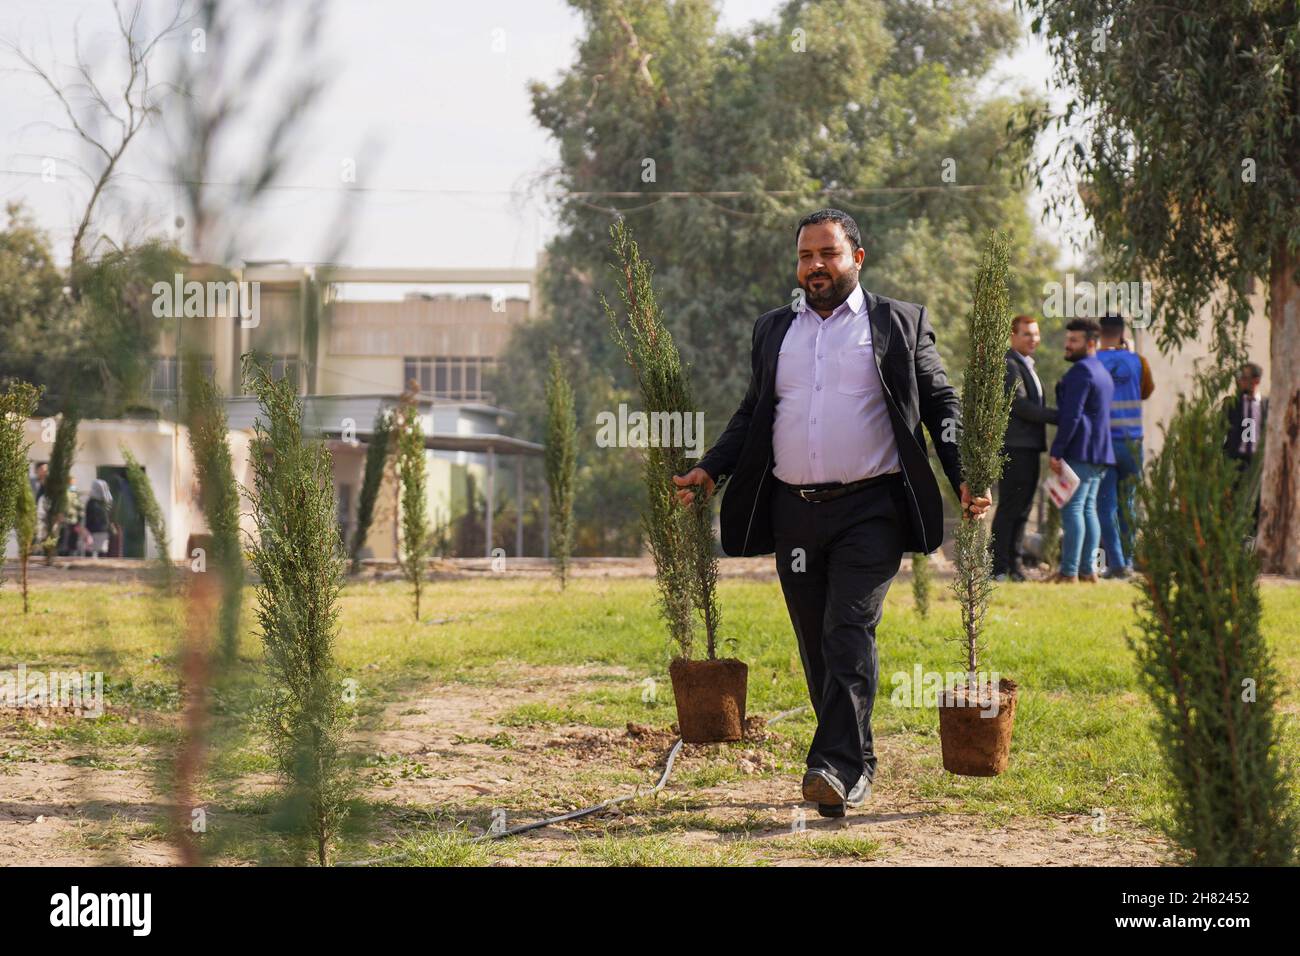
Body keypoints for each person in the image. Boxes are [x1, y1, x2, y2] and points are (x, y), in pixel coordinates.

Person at [672, 208, 989, 818]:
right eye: (805, 256)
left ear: (857, 259)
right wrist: (711, 468)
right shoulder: (773, 331)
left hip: (872, 508)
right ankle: (857, 759)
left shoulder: (898, 323)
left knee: (848, 629)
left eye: (828, 254)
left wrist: (965, 470)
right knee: (817, 642)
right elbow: (752, 413)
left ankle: (832, 767)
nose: (814, 266)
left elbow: (941, 402)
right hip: (794, 511)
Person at [1048, 318, 1115, 583]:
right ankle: (1088, 571)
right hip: (1100, 452)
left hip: (1080, 450)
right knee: (1088, 509)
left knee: (1073, 508)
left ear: (1090, 343)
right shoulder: (1101, 371)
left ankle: (1069, 572)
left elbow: (1071, 416)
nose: (1067, 345)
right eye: (1068, 339)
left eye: (1073, 341)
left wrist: (1057, 449)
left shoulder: (1081, 372)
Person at [991, 315, 1057, 581]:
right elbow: (1019, 406)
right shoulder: (1010, 365)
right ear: (1013, 336)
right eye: (1027, 334)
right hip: (1015, 447)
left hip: (1029, 448)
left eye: (1036, 334)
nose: (1034, 339)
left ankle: (1014, 566)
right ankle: (998, 567)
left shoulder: (1027, 365)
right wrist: (1059, 416)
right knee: (1010, 507)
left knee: (1024, 508)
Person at [1094, 313, 1153, 578]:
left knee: (1106, 505)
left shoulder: (1092, 361)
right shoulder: (1138, 361)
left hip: (1105, 443)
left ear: (1099, 332)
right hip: (1132, 442)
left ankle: (1116, 563)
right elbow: (1146, 391)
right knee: (1128, 503)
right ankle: (1128, 560)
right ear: (1122, 333)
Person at [1224, 362, 1267, 526]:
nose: (1239, 381)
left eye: (1244, 378)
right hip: (1236, 462)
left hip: (1257, 462)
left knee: (1257, 504)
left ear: (1255, 381)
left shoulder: (1266, 405)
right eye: (1239, 378)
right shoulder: (1231, 404)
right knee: (1235, 504)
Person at [84, 478, 114, 558]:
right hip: (98, 531)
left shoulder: (95, 503)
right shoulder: (103, 503)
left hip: (96, 531)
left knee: (97, 554)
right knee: (99, 554)